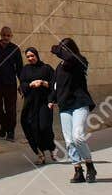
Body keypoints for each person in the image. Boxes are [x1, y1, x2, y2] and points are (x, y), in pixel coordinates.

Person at [50, 37, 96, 183]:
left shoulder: (79, 61)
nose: (62, 51)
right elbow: (55, 85)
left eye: (65, 48)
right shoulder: (59, 66)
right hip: (65, 106)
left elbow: (70, 58)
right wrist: (51, 99)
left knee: (78, 137)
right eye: (61, 48)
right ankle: (78, 170)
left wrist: (58, 49)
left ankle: (90, 165)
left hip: (79, 103)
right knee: (69, 141)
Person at [18, 46, 58, 163]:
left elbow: (55, 84)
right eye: (28, 57)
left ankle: (51, 148)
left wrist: (43, 83)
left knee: (45, 127)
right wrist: (30, 85)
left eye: (32, 56)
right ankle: (40, 154)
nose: (30, 58)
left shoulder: (46, 68)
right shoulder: (25, 70)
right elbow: (22, 85)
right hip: (30, 104)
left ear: (37, 55)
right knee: (32, 128)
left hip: (44, 103)